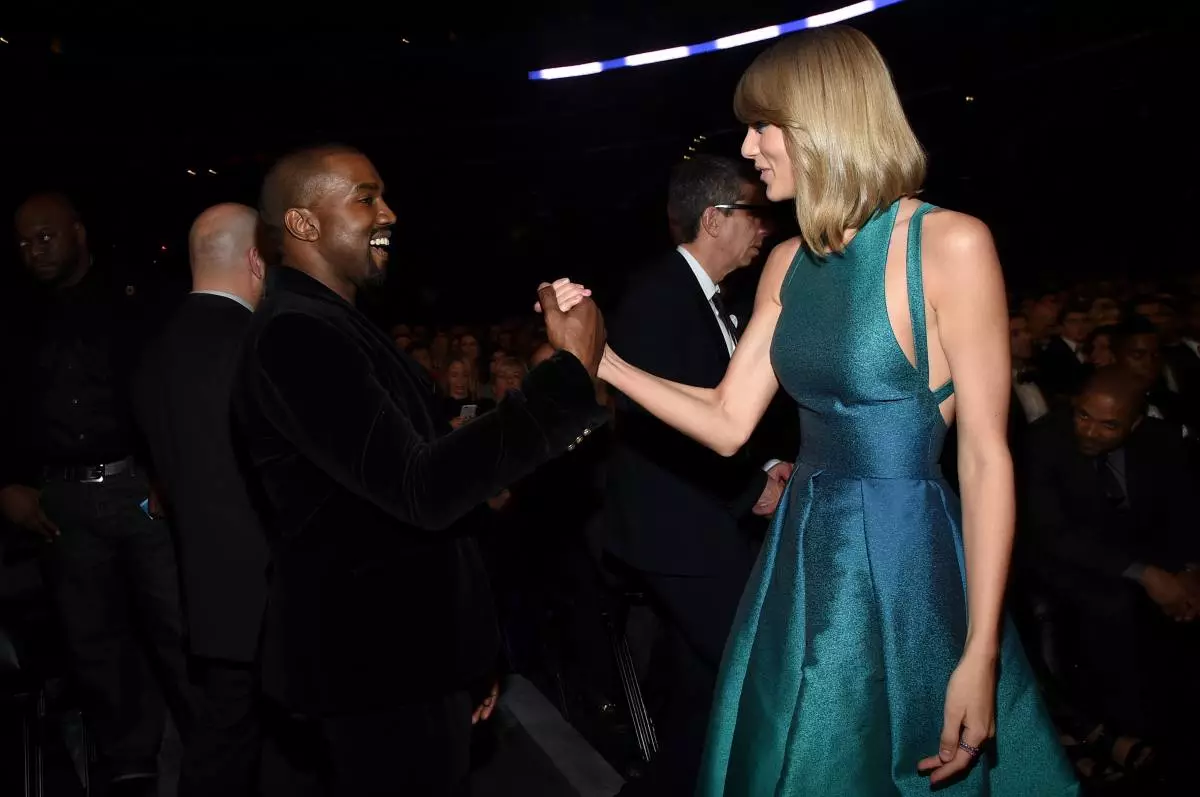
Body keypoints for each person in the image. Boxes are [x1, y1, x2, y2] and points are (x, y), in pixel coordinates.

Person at [551, 26, 1076, 796]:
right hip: (800, 551)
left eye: (765, 127)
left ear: (825, 122)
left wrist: (982, 650)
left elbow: (986, 456)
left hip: (906, 554)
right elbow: (729, 418)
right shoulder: (789, 260)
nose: (752, 149)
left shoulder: (951, 244)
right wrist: (604, 360)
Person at [233, 144, 607, 796]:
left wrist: (470, 649)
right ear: (302, 223)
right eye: (366, 197)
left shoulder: (337, 325)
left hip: (409, 660)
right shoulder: (297, 336)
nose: (390, 213)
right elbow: (421, 489)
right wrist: (564, 377)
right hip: (374, 669)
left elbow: (424, 495)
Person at [602, 154, 792, 795]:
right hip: (678, 532)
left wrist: (764, 464)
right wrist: (751, 486)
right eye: (753, 214)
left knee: (704, 694)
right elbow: (661, 427)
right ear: (715, 219)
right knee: (755, 674)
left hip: (704, 520)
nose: (763, 227)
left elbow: (718, 407)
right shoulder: (658, 297)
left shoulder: (713, 298)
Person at [0, 192, 191, 795]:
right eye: (25, 242)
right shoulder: (15, 313)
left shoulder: (137, 296)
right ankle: (128, 763)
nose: (35, 250)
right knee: (92, 638)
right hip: (62, 499)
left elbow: (175, 383)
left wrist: (169, 473)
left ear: (78, 233)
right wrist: (6, 482)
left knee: (177, 624)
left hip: (138, 485)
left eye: (46, 237)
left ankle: (208, 750)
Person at [132, 203, 270, 796]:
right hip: (273, 596)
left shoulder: (152, 354)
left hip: (204, 597)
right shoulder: (258, 348)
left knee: (224, 747)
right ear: (257, 259)